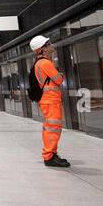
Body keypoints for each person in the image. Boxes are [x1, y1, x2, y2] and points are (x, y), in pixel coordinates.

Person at [31, 35, 70, 168]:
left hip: (48, 100)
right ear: (42, 49)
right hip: (50, 100)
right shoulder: (45, 63)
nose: (51, 45)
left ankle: (51, 154)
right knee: (53, 128)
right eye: (48, 44)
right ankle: (49, 156)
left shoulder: (39, 62)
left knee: (50, 128)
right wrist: (61, 75)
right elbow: (58, 80)